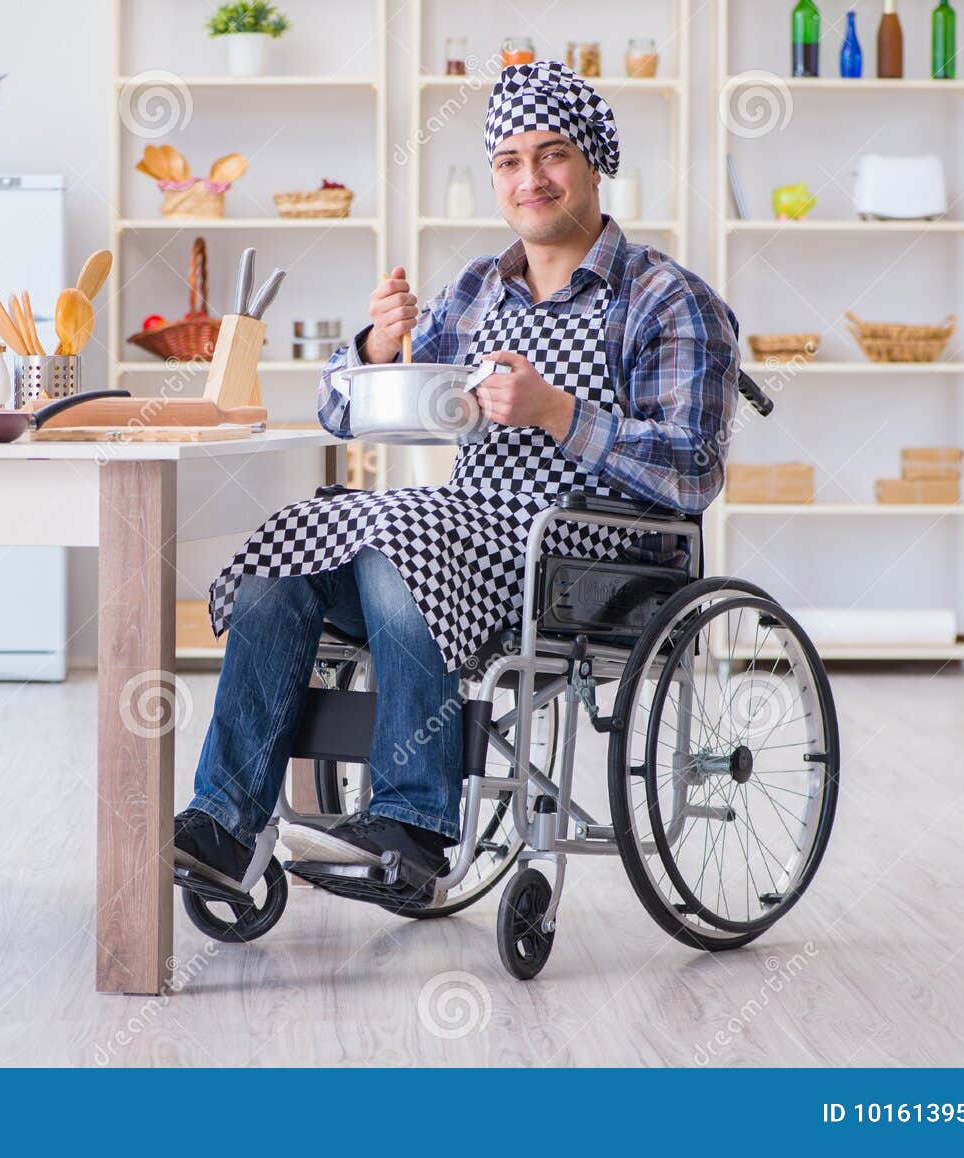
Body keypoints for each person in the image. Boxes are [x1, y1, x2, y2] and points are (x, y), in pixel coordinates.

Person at [173, 60, 742, 904]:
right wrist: (373, 352)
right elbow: (342, 412)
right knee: (282, 559)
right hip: (460, 533)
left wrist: (558, 412)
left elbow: (692, 471)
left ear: (593, 163)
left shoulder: (666, 300)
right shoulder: (477, 290)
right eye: (509, 161)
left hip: (590, 555)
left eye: (551, 155)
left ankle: (412, 825)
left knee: (395, 540)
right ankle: (225, 823)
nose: (530, 178)